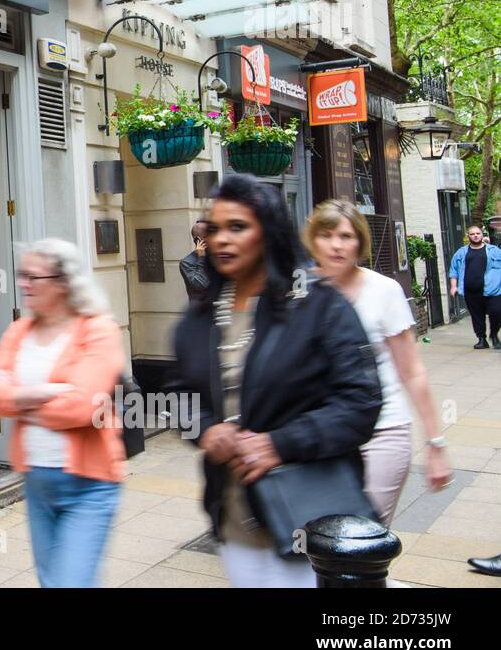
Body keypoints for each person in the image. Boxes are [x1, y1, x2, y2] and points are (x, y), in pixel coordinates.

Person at [167, 175, 381, 588]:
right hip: (235, 521)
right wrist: (206, 429)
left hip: (309, 517)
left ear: (268, 232)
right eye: (214, 229)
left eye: (238, 227)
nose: (222, 240)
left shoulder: (317, 304)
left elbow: (361, 402)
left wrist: (280, 443)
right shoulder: (199, 316)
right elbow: (178, 392)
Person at [0, 238, 125, 588]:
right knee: (54, 581)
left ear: (62, 281)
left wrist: (20, 405)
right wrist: (38, 393)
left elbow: (83, 405)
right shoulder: (18, 331)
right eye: (21, 275)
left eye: (33, 277)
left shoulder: (97, 330)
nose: (23, 284)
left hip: (90, 486)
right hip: (37, 484)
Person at [305, 200, 453, 526]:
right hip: (320, 434)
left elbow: (411, 371)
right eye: (327, 235)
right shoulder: (300, 291)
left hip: (381, 431)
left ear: (360, 241)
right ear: (313, 239)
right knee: (318, 541)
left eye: (346, 236)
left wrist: (435, 443)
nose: (336, 245)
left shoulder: (384, 291)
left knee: (363, 537)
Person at [448, 224, 501, 349]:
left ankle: (494, 334)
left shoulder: (494, 251)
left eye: (477, 233)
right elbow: (453, 271)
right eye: (472, 234)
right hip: (471, 290)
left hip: (493, 289)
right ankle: (481, 339)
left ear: (482, 235)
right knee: (477, 316)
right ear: (468, 236)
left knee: (497, 312)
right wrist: (453, 287)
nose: (475, 236)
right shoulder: (461, 253)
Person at [179, 218, 211, 302]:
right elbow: (200, 284)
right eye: (207, 236)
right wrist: (202, 257)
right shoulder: (186, 263)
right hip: (201, 312)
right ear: (198, 240)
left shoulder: (218, 257)